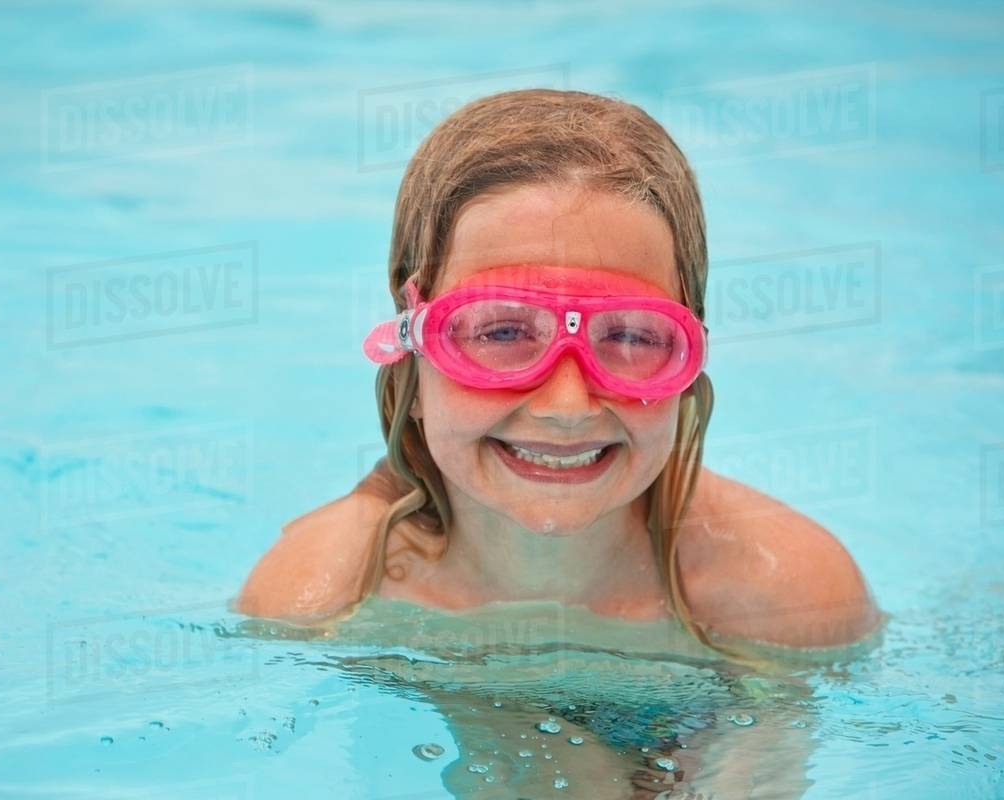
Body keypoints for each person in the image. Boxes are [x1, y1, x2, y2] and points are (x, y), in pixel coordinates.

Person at [237, 88, 881, 655]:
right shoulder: (314, 600)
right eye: (501, 332)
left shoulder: (790, 599)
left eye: (630, 336)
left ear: (688, 359)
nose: (567, 404)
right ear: (413, 346)